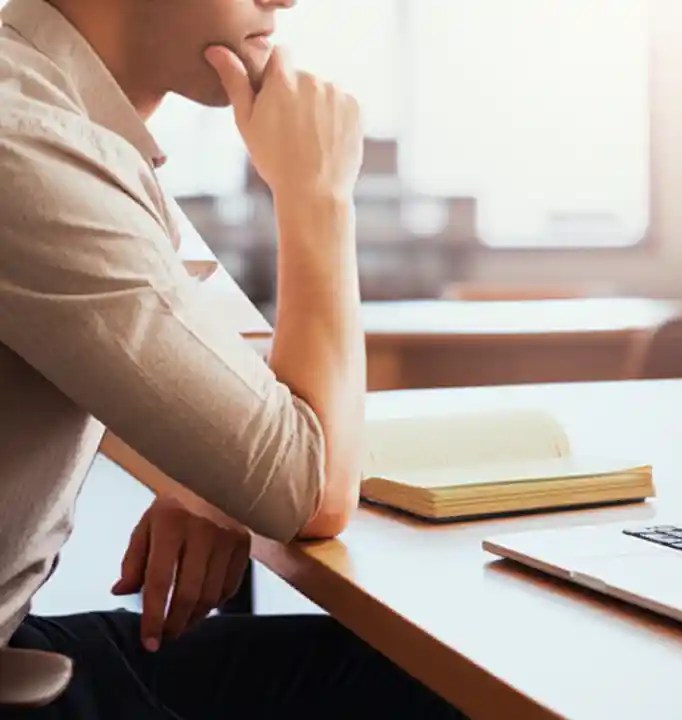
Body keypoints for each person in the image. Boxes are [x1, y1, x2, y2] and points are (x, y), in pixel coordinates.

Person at [0, 0, 459, 716]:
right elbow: (307, 488)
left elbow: (238, 396)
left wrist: (213, 475)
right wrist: (318, 195)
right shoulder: (27, 143)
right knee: (437, 695)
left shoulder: (61, 114)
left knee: (405, 675)